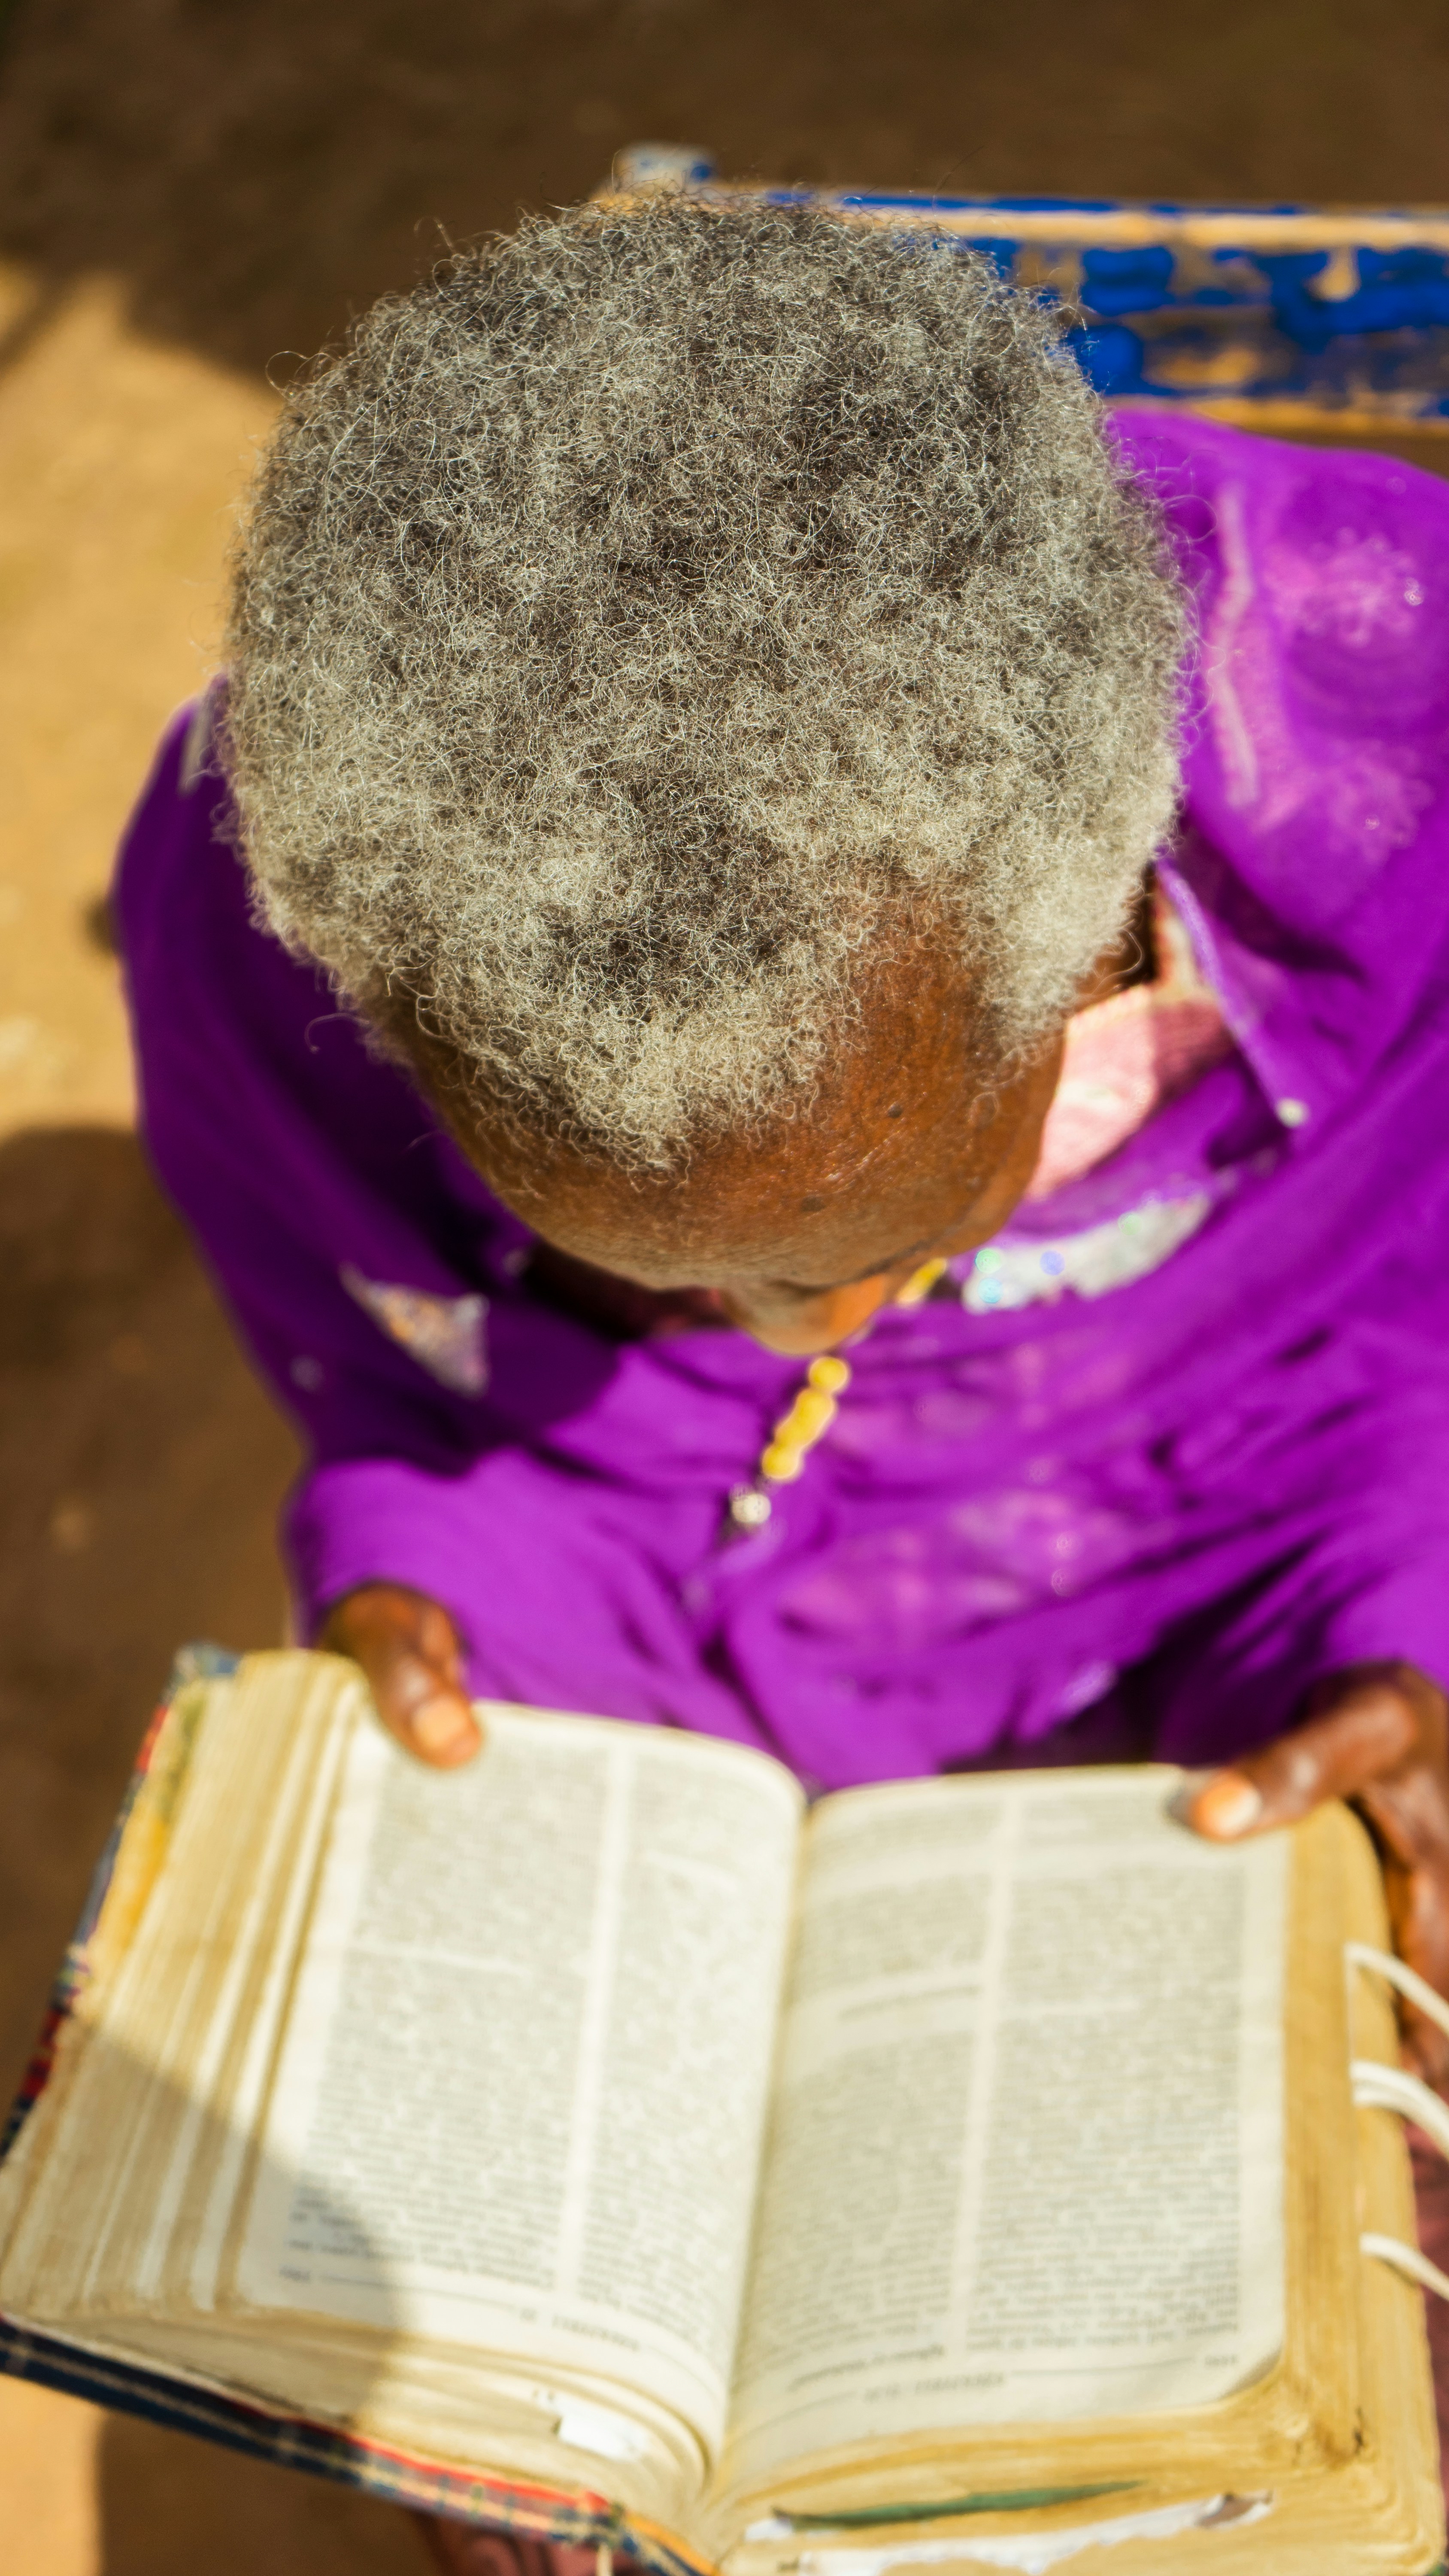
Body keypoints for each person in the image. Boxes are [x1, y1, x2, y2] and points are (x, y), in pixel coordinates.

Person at [119, 194, 1449, 2064]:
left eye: (856, 1243)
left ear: (1087, 944)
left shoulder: (1405, 778)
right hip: (642, 1580)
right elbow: (422, 1384)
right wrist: (448, 1558)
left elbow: (1414, 1345)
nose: (785, 1338)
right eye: (624, 1261)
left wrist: (1406, 1601)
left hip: (1270, 1521)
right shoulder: (266, 917)